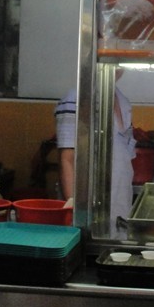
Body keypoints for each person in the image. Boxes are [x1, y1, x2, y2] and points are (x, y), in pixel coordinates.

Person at [55, 77, 135, 238]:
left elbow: (125, 159)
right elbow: (67, 159)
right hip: (88, 214)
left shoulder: (123, 102)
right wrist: (75, 215)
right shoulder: (77, 98)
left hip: (120, 208)